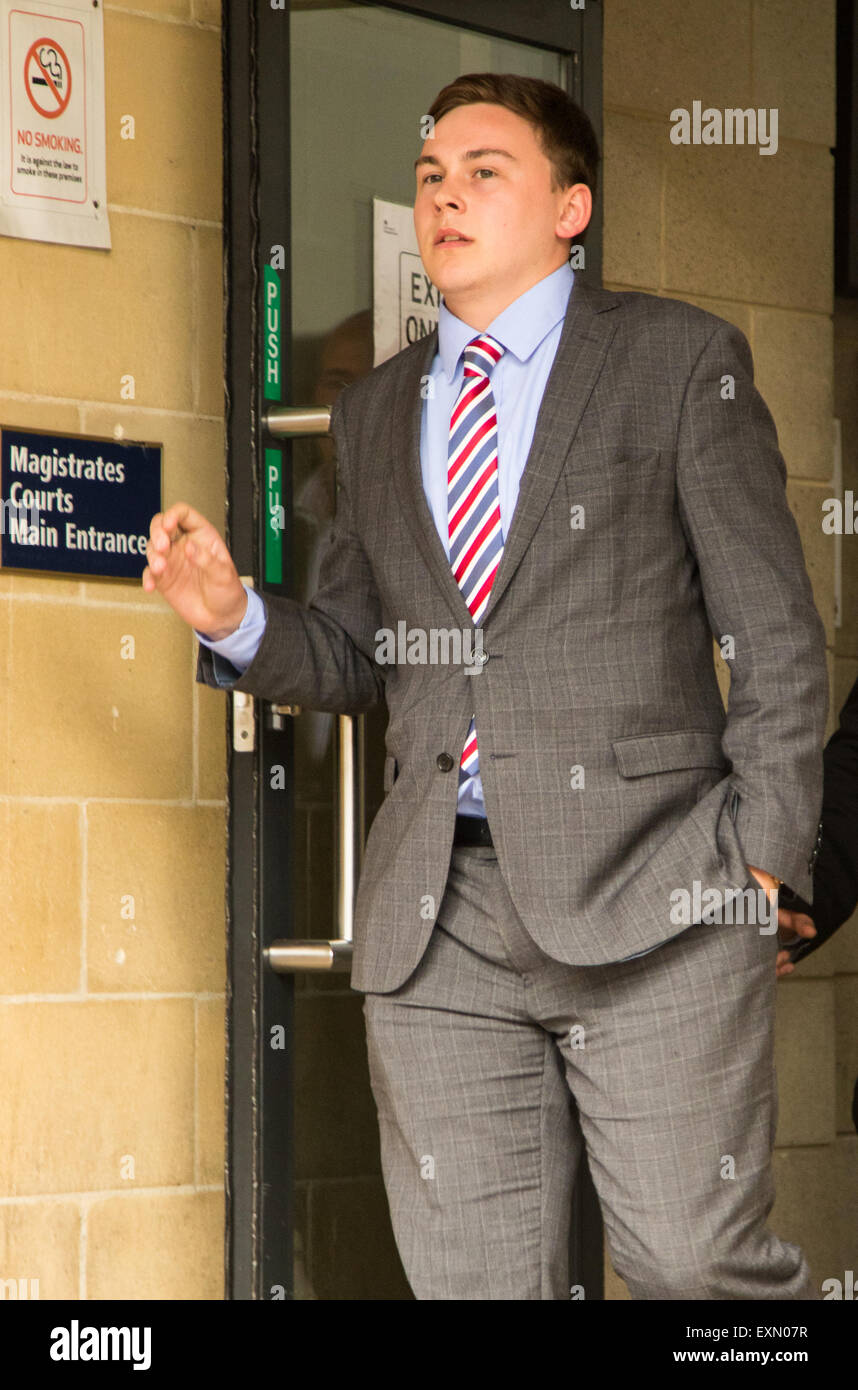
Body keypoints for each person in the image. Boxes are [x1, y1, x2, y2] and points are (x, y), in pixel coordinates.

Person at [143, 73, 829, 1300]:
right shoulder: (371, 413)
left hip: (658, 895)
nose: (445, 196)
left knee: (696, 1269)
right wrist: (234, 617)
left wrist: (764, 859)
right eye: (429, 177)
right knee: (473, 1285)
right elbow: (365, 655)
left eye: (483, 173)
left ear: (572, 206)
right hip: (438, 914)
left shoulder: (679, 364)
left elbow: (776, 638)